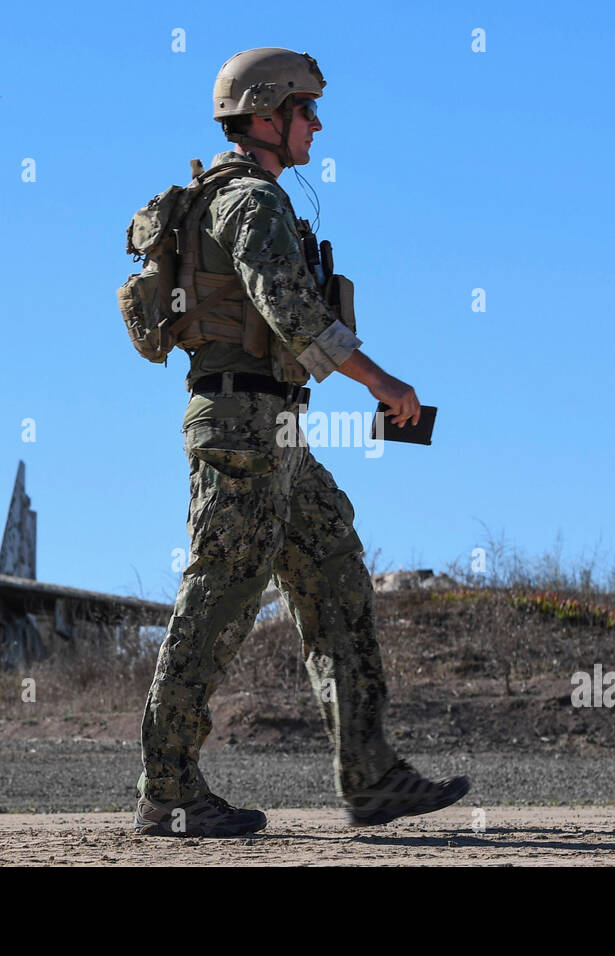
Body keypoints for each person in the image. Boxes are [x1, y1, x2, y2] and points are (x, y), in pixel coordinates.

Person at [133, 47, 469, 837]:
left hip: (275, 427)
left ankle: (372, 775)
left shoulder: (248, 197)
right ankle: (168, 785)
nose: (316, 123)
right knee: (220, 598)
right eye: (304, 109)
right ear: (264, 117)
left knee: (337, 574)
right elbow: (291, 312)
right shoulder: (249, 203)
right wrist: (384, 386)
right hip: (242, 429)